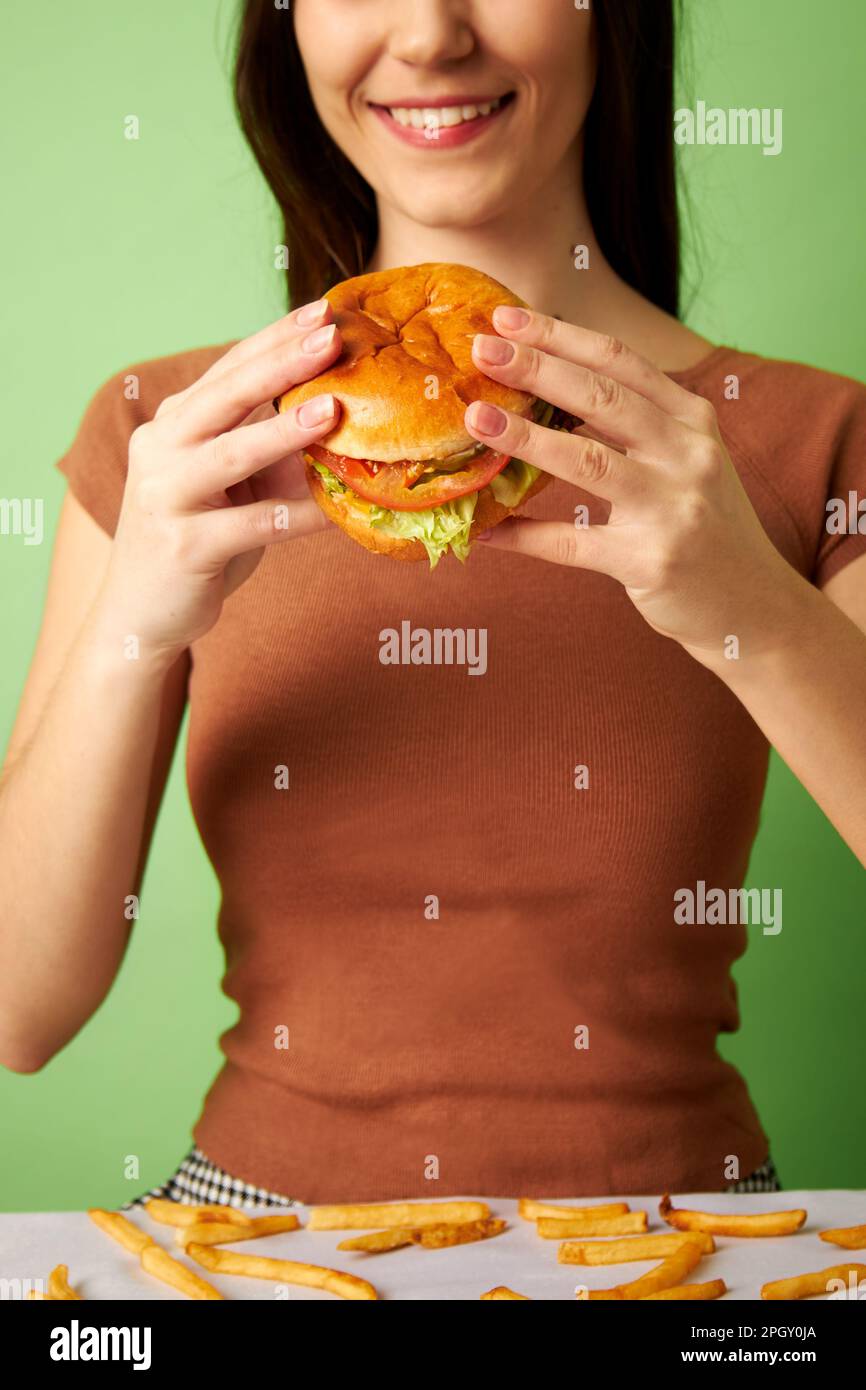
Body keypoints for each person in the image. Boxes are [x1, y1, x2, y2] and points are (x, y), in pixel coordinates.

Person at [2, 0, 864, 1209]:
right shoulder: (170, 441)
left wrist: (753, 611)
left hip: (684, 1241)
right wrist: (131, 632)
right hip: (252, 1240)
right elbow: (17, 1012)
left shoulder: (801, 438)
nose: (427, 35)